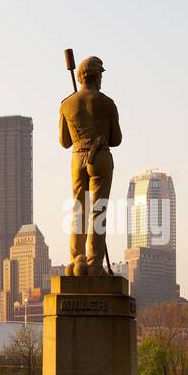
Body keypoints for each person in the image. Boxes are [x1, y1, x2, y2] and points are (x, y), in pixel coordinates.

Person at [59, 55, 123, 276]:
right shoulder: (107, 103)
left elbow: (64, 141)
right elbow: (116, 139)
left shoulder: (67, 104)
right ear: (97, 77)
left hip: (77, 158)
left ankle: (75, 259)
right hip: (100, 158)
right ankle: (95, 263)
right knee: (98, 210)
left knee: (78, 209)